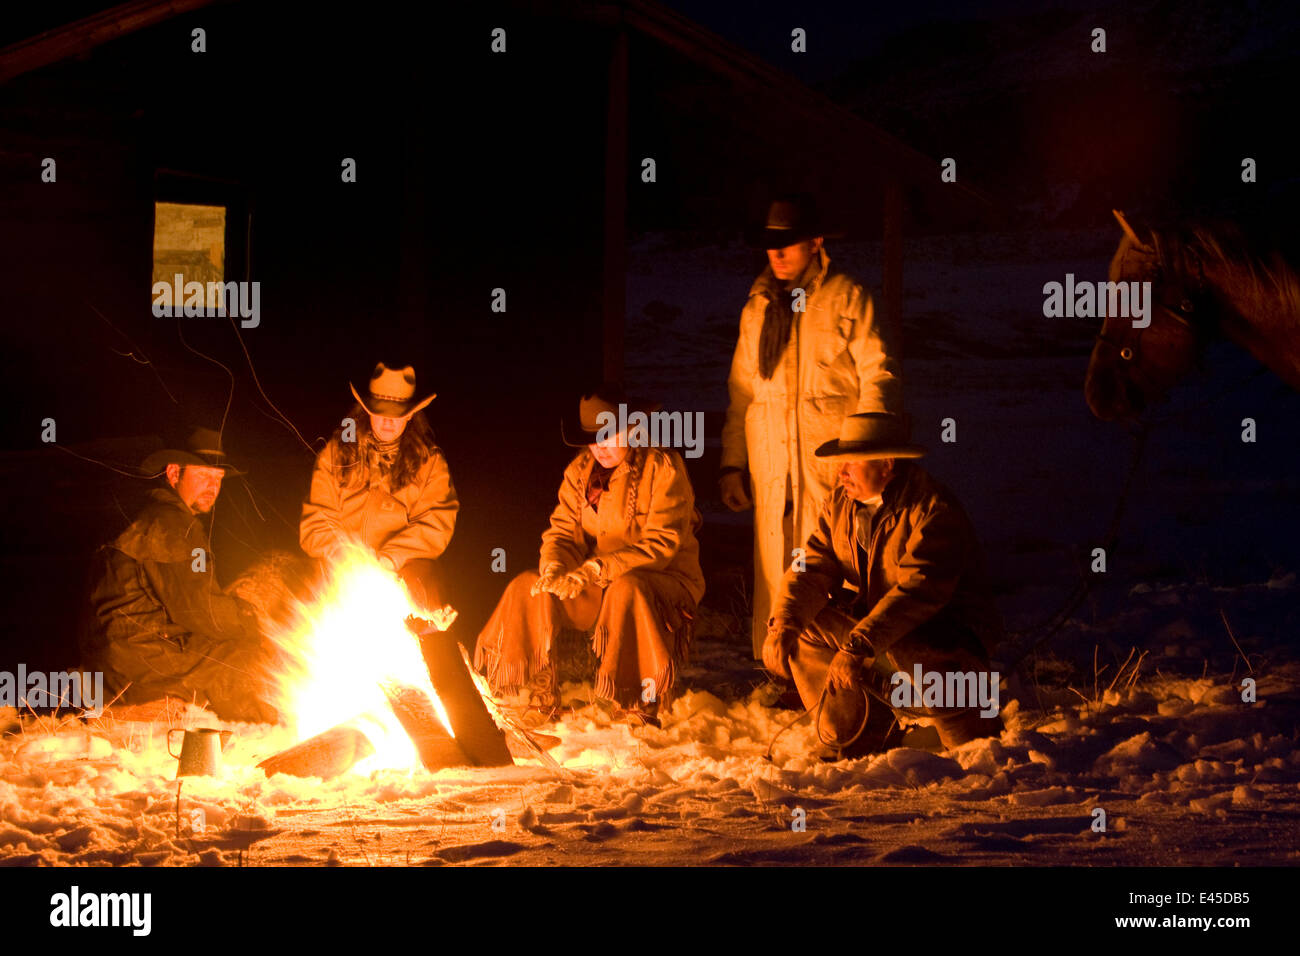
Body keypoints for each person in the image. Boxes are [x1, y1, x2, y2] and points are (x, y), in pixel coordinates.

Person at [721, 194, 904, 659]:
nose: (778, 254)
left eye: (789, 244)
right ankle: (781, 667)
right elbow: (743, 393)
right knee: (776, 570)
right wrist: (732, 464)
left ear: (816, 242)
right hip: (772, 474)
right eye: (771, 246)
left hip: (830, 473)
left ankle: (836, 667)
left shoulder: (846, 298)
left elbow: (878, 374)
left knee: (831, 571)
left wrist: (868, 456)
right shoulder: (757, 310)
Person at [762, 413, 1003, 759]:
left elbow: (917, 593)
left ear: (887, 464)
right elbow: (811, 566)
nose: (841, 473)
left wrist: (858, 646)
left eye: (851, 463)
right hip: (882, 632)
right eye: (841, 463)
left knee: (976, 754)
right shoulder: (841, 504)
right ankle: (855, 735)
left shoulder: (933, 510)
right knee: (806, 627)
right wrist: (784, 622)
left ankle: (970, 725)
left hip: (946, 638)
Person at [474, 385, 705, 726]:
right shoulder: (580, 471)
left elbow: (662, 543)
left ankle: (636, 699)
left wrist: (595, 569)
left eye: (610, 436)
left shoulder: (663, 468)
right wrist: (555, 567)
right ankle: (541, 695)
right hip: (602, 580)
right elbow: (562, 532)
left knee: (628, 588)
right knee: (531, 585)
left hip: (663, 580)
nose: (601, 447)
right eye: (593, 438)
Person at [82, 428, 281, 723]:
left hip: (117, 657)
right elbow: (201, 612)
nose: (212, 487)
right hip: (138, 658)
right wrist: (258, 623)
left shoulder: (154, 514)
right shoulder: (173, 525)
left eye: (218, 480)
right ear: (174, 474)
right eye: (203, 477)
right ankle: (271, 730)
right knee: (252, 661)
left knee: (235, 653)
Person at [300, 362, 458, 612]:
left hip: (399, 577)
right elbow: (316, 524)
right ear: (366, 411)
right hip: (340, 573)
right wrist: (349, 561)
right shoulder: (336, 454)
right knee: (308, 595)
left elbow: (435, 526)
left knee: (423, 591)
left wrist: (385, 562)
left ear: (410, 414)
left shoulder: (430, 464)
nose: (388, 422)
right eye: (381, 412)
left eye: (397, 414)